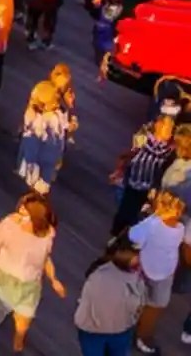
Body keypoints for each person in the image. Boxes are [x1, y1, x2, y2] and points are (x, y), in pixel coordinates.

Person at [0, 193, 67, 355]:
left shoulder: (47, 234)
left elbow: (45, 258)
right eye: (21, 208)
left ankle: (17, 350)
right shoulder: (7, 225)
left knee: (22, 325)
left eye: (24, 211)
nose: (19, 213)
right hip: (6, 282)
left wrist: (53, 279)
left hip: (30, 287)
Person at [127, 190, 187, 353]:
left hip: (146, 268)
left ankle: (130, 331)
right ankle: (143, 335)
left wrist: (150, 215)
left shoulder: (152, 224)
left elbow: (133, 236)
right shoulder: (180, 228)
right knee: (157, 305)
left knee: (138, 301)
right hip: (166, 271)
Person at [75, 240, 144, 356]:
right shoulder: (133, 279)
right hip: (113, 330)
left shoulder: (98, 271)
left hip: (93, 329)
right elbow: (136, 306)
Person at [113, 114, 177, 237]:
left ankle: (129, 238)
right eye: (164, 125)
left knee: (137, 216)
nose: (167, 130)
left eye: (169, 128)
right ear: (157, 125)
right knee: (124, 211)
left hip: (148, 188)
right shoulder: (144, 138)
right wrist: (119, 170)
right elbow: (130, 154)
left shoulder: (169, 150)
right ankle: (116, 235)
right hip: (133, 182)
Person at [16, 80, 71, 194]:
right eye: (54, 101)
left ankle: (38, 194)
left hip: (45, 157)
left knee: (40, 181)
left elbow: (59, 134)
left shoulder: (48, 117)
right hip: (44, 159)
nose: (57, 104)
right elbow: (32, 145)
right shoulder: (46, 120)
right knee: (41, 182)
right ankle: (38, 193)